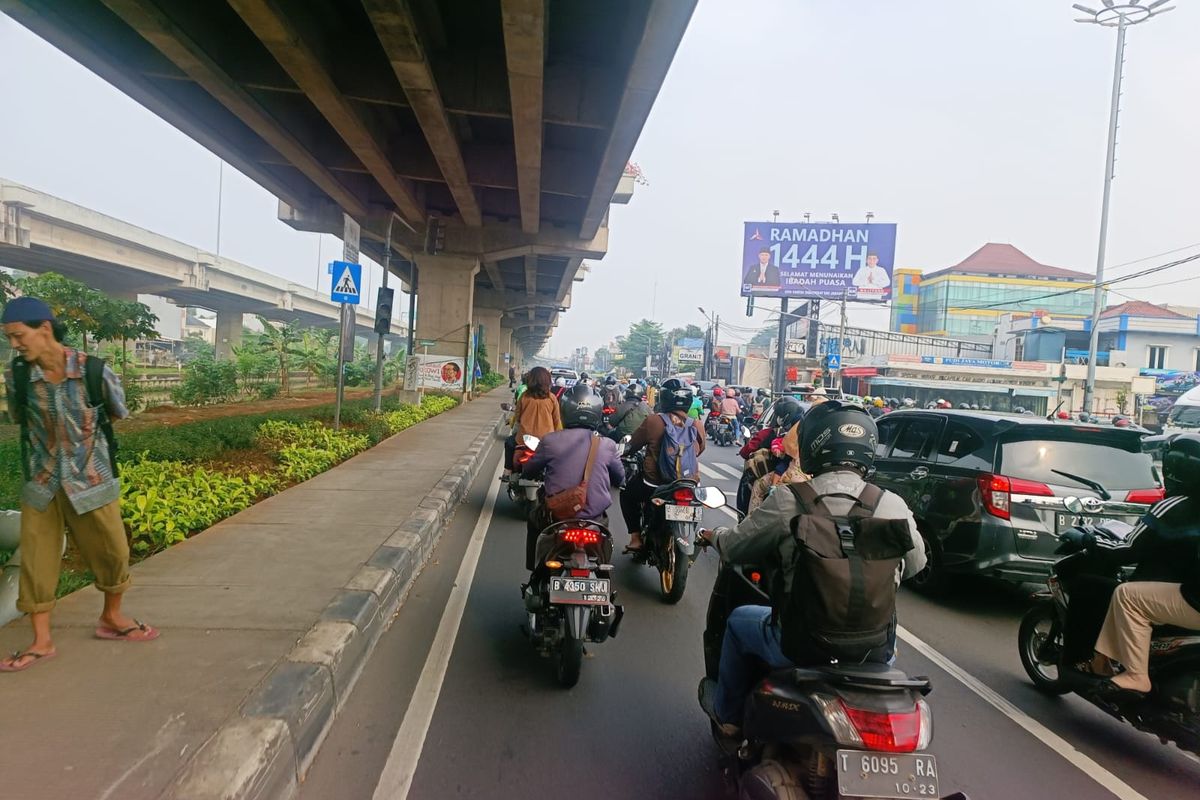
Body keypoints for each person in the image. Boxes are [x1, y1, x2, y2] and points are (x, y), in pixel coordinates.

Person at [697, 401, 926, 733]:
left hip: (798, 646)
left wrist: (715, 535)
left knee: (736, 621)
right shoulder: (891, 503)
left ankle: (728, 717)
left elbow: (735, 547)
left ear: (813, 445)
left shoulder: (790, 498)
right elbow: (917, 565)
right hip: (876, 651)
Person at [1, 297, 158, 673]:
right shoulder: (18, 376)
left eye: (19, 336)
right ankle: (41, 641)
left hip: (91, 479)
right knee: (36, 561)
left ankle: (112, 619)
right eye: (10, 338)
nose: (15, 345)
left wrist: (82, 448)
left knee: (112, 552)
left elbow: (116, 414)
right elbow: (19, 418)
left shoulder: (94, 372)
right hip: (42, 482)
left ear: (45, 329)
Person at [1068, 434, 1200, 694]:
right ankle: (1101, 661)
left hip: (1195, 600)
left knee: (1126, 595)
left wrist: (1086, 540)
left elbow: (1128, 550)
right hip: (1185, 584)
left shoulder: (1176, 505)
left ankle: (1136, 675)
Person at [522, 385, 625, 572]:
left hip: (558, 516)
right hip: (594, 519)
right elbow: (620, 478)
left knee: (533, 518)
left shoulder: (550, 441)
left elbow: (529, 470)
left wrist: (528, 473)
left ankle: (534, 572)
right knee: (605, 536)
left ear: (565, 411)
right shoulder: (607, 445)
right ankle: (601, 572)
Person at [620, 379, 706, 553]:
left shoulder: (654, 421)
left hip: (655, 483)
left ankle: (636, 538)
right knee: (696, 506)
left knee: (627, 495)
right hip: (688, 482)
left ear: (663, 398)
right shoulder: (696, 424)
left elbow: (634, 444)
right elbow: (700, 449)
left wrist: (625, 452)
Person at [503, 366, 562, 480]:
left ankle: (507, 471)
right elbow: (557, 422)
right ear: (547, 381)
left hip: (524, 440)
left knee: (509, 443)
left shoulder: (524, 397)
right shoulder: (552, 398)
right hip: (546, 441)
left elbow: (517, 418)